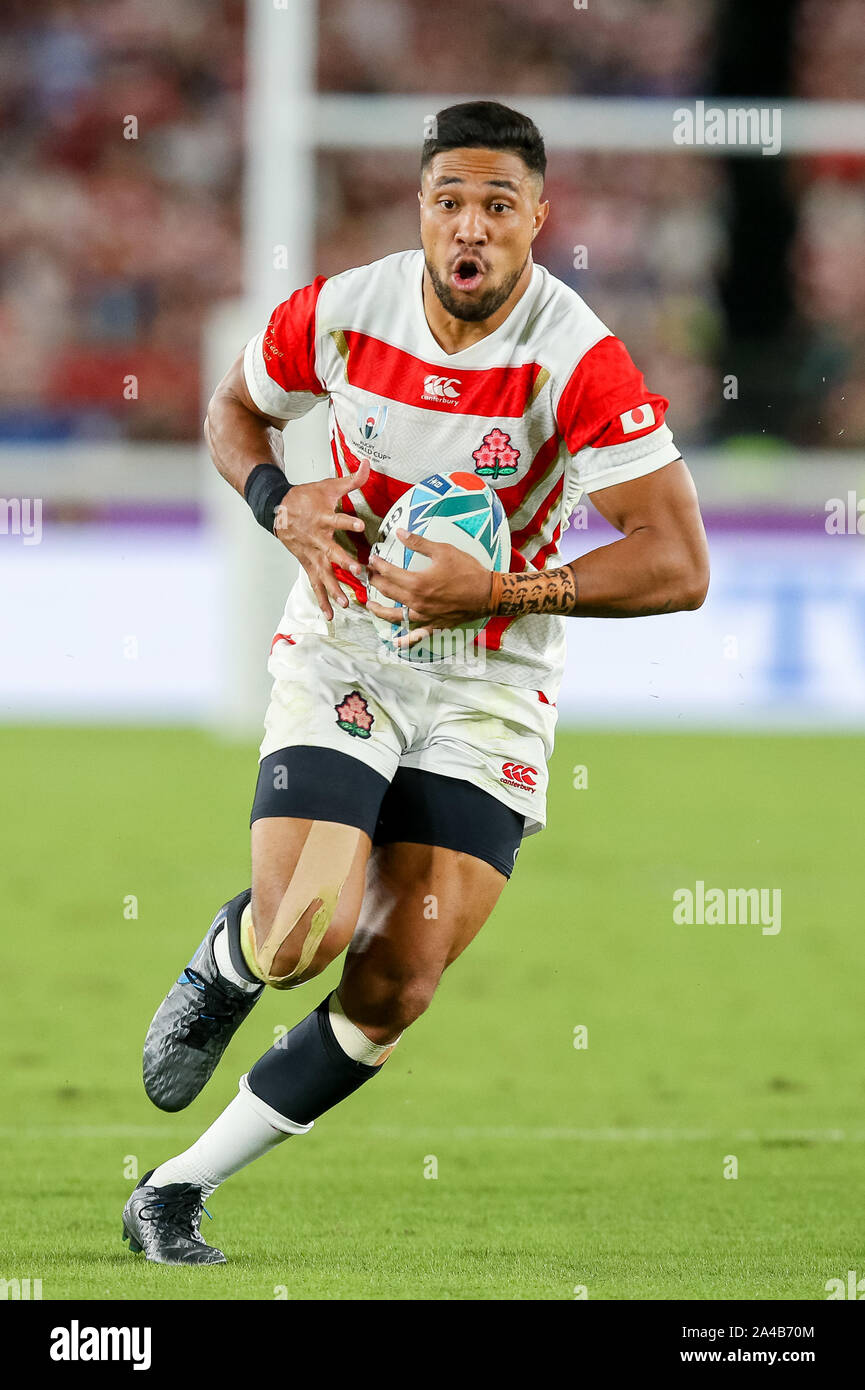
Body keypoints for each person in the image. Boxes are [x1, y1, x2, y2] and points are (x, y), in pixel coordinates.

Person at [122, 100, 709, 1265]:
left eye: (499, 205)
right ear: (422, 213)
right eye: (451, 203)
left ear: (540, 217)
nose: (472, 229)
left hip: (490, 685)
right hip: (350, 649)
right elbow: (234, 410)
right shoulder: (344, 312)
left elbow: (677, 562)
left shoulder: (573, 355)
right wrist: (275, 501)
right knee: (303, 934)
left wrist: (493, 594)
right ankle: (228, 963)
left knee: (394, 983)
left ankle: (171, 1193)